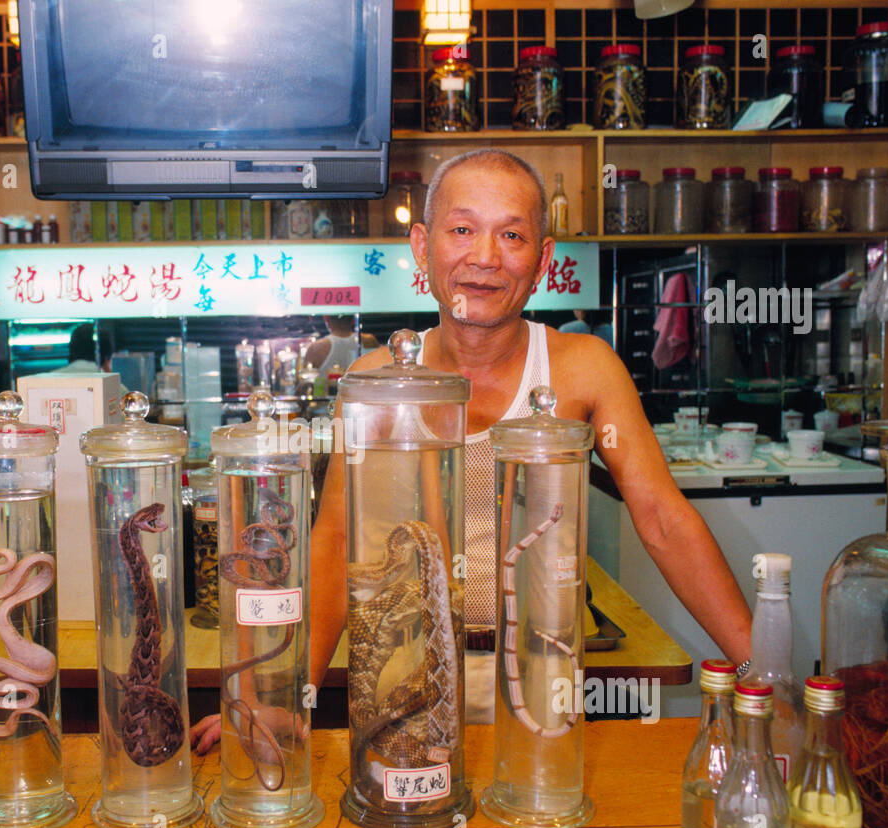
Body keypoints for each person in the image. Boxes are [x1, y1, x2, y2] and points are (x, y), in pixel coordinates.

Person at [192, 148, 751, 752]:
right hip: (401, 674)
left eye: (511, 235)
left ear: (541, 261)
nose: (484, 257)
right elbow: (332, 543)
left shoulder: (584, 370)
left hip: (536, 673)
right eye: (462, 230)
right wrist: (288, 699)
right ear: (422, 247)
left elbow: (663, 520)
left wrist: (764, 675)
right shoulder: (374, 383)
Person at [303, 316, 379, 374]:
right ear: (353, 320)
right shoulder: (369, 341)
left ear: (326, 318)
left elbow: (303, 386)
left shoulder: (317, 348)